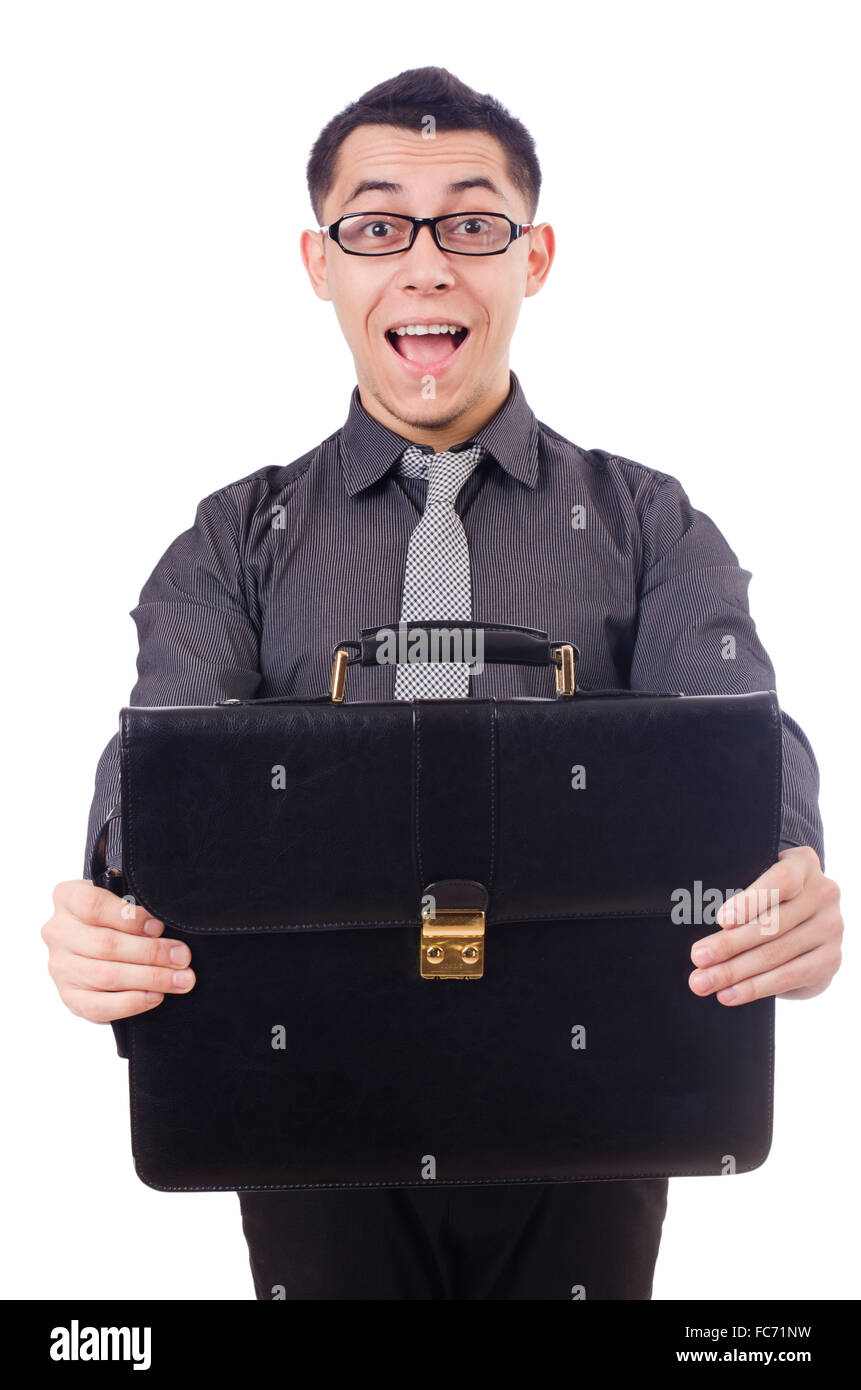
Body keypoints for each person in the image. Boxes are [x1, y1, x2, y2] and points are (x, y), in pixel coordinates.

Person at [42, 66, 842, 1301]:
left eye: (472, 224)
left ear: (536, 256)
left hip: (594, 1112)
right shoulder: (230, 540)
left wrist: (789, 863)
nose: (426, 266)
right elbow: (161, 755)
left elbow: (739, 731)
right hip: (313, 1111)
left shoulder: (647, 523)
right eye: (377, 227)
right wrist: (108, 898)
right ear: (321, 264)